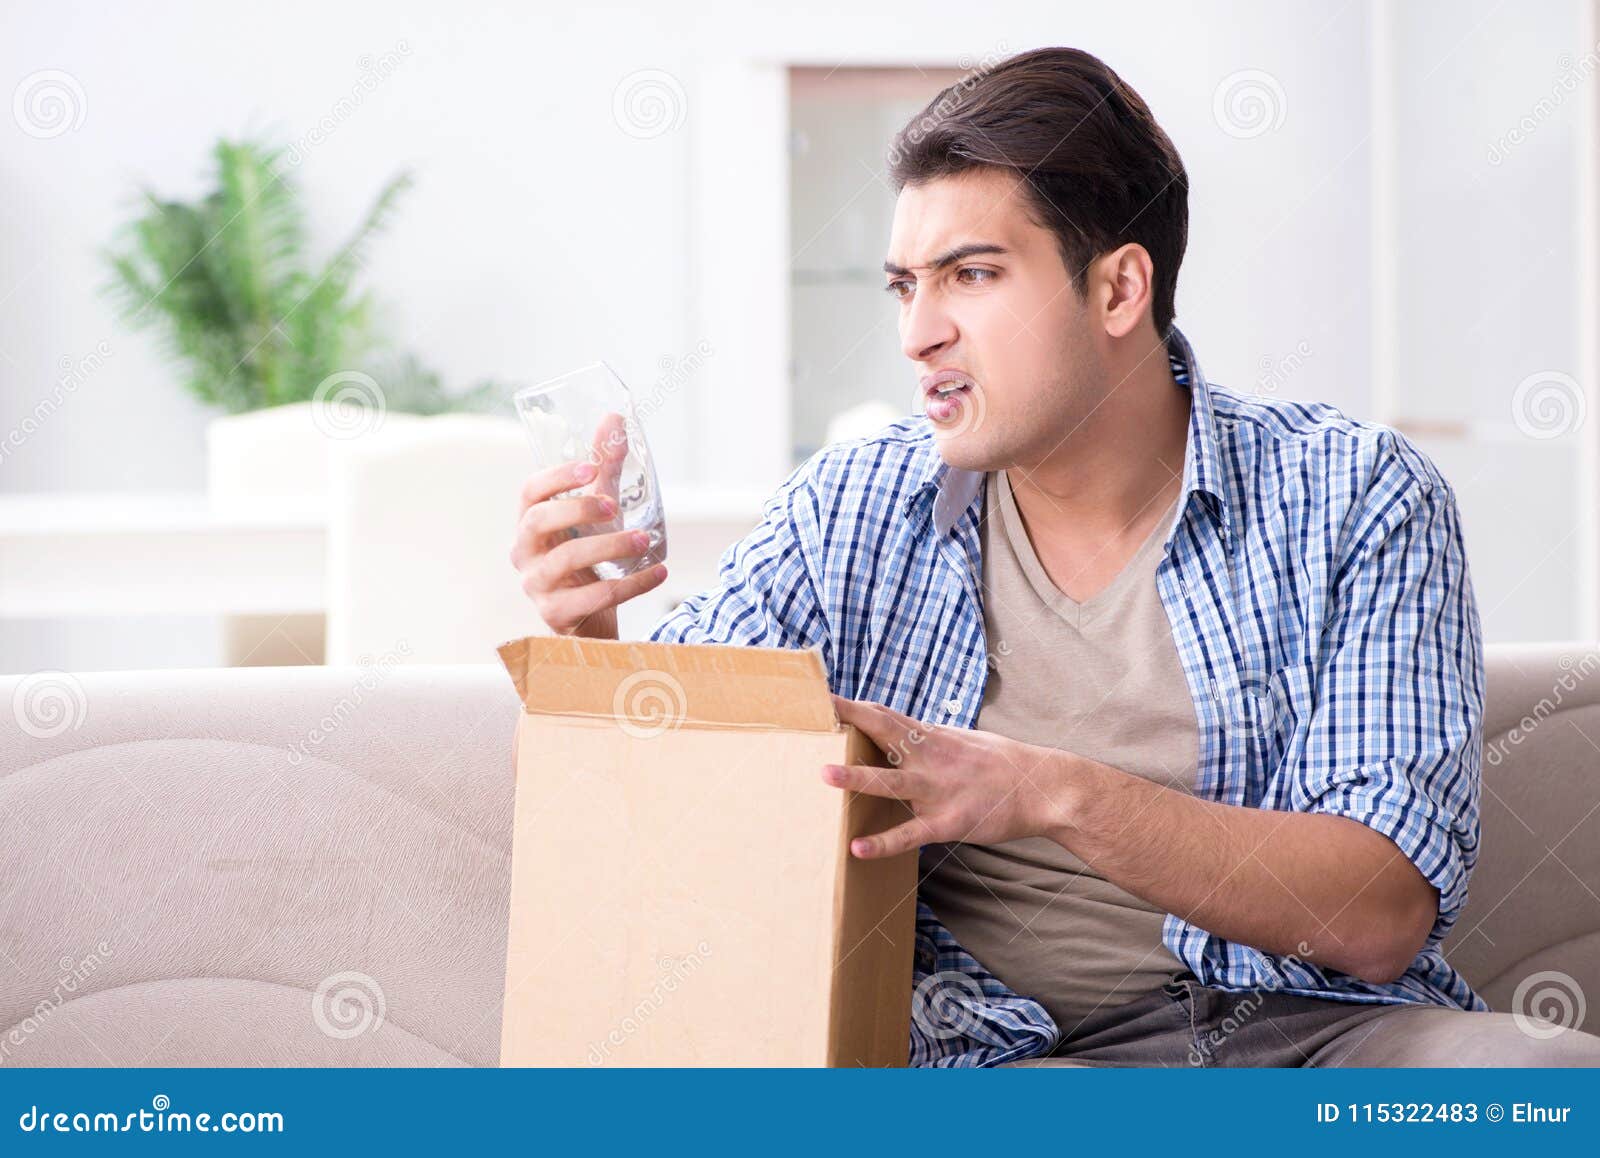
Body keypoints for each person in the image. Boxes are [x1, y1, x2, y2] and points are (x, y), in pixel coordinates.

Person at [509, 46, 1600, 1067]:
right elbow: (680, 806)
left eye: (969, 276)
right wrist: (595, 645)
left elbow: (1376, 913)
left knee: (1536, 1082)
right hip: (989, 1057)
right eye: (903, 285)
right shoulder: (849, 505)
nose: (916, 333)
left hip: (1304, 1035)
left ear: (1119, 289)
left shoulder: (1355, 497)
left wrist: (1057, 795)